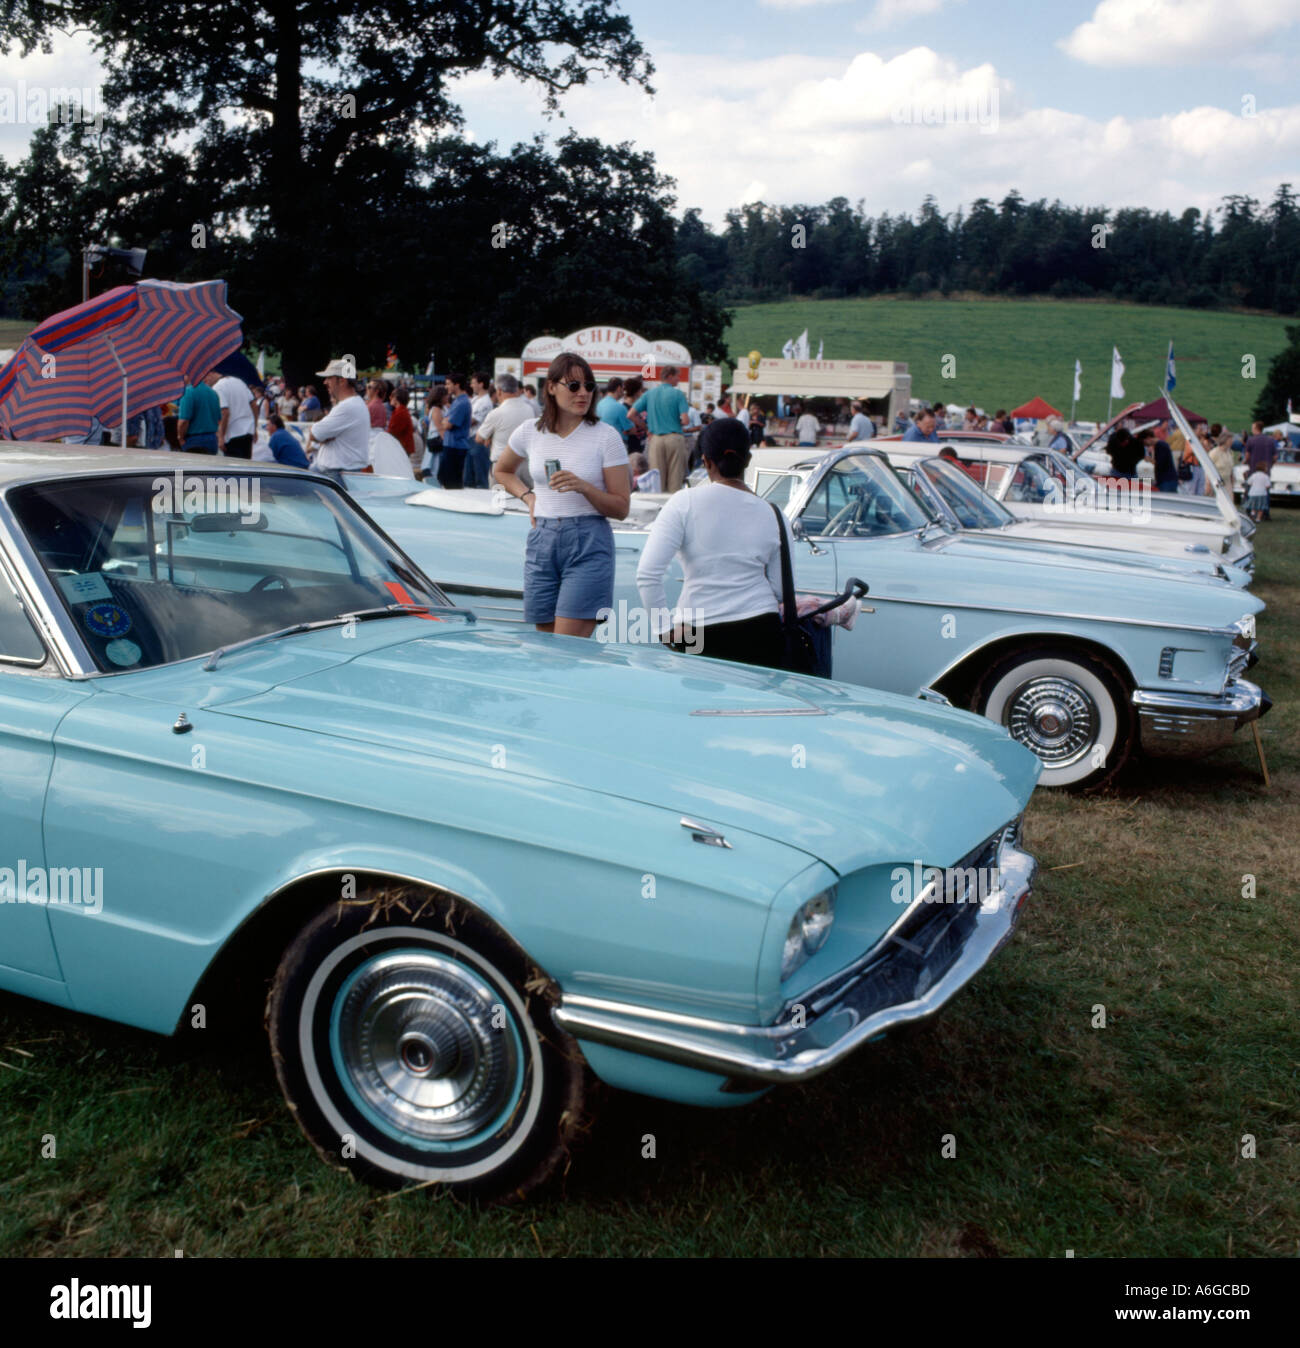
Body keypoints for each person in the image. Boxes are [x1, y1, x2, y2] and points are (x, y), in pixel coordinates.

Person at [492, 352, 630, 637]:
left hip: (588, 539)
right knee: (544, 647)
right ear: (551, 387)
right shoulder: (531, 431)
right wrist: (529, 497)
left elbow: (621, 507)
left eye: (589, 386)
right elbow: (502, 471)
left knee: (567, 647)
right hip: (542, 538)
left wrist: (585, 487)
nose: (583, 393)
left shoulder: (606, 436)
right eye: (574, 386)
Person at [636, 417, 788, 669]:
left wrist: (662, 629)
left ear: (705, 461)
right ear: (748, 460)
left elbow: (647, 574)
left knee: (697, 709)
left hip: (699, 630)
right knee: (757, 708)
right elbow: (779, 589)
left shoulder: (683, 502)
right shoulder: (773, 513)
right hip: (761, 628)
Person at [304, 359, 370, 486]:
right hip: (338, 472)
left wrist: (321, 435)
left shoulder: (348, 406)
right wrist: (324, 435)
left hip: (337, 474)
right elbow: (318, 434)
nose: (325, 382)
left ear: (342, 380)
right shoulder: (354, 404)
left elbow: (314, 434)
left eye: (329, 378)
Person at [631, 366, 690, 493]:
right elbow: (685, 420)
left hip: (656, 439)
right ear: (670, 376)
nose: (678, 379)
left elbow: (631, 414)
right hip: (674, 437)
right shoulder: (678, 394)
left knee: (657, 479)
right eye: (676, 376)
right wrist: (675, 421)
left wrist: (647, 427)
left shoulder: (649, 394)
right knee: (675, 478)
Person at [476, 374, 534, 483]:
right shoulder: (529, 409)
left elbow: (479, 438)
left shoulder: (496, 413)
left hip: (501, 467)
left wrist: (491, 436)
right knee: (526, 499)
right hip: (525, 465)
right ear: (516, 389)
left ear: (498, 391)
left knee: (499, 499)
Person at [439, 372, 472, 489]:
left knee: (452, 483)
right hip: (451, 445)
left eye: (448, 384)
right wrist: (445, 421)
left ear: (457, 385)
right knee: (445, 479)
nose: (446, 387)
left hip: (456, 447)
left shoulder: (462, 403)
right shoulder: (457, 401)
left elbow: (447, 425)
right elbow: (445, 421)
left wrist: (445, 421)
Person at [211, 370, 255, 457]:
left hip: (233, 433)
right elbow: (254, 405)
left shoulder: (218, 387)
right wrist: (255, 426)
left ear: (212, 373)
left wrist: (221, 437)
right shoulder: (239, 381)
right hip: (248, 430)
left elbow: (225, 412)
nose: (206, 380)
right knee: (245, 465)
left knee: (233, 467)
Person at [176, 377, 221, 453]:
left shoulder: (188, 392)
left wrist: (180, 437)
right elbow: (219, 418)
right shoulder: (213, 393)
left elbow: (183, 421)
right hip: (212, 439)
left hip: (194, 441)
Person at [596, 377, 633, 448]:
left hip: (601, 443)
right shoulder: (620, 407)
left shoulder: (599, 404)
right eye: (623, 389)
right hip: (618, 444)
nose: (624, 391)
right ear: (619, 388)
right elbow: (631, 430)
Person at [388, 386, 416, 459]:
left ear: (396, 398)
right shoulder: (402, 411)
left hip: (402, 448)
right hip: (403, 447)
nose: (389, 397)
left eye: (391, 396)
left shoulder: (400, 412)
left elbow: (392, 432)